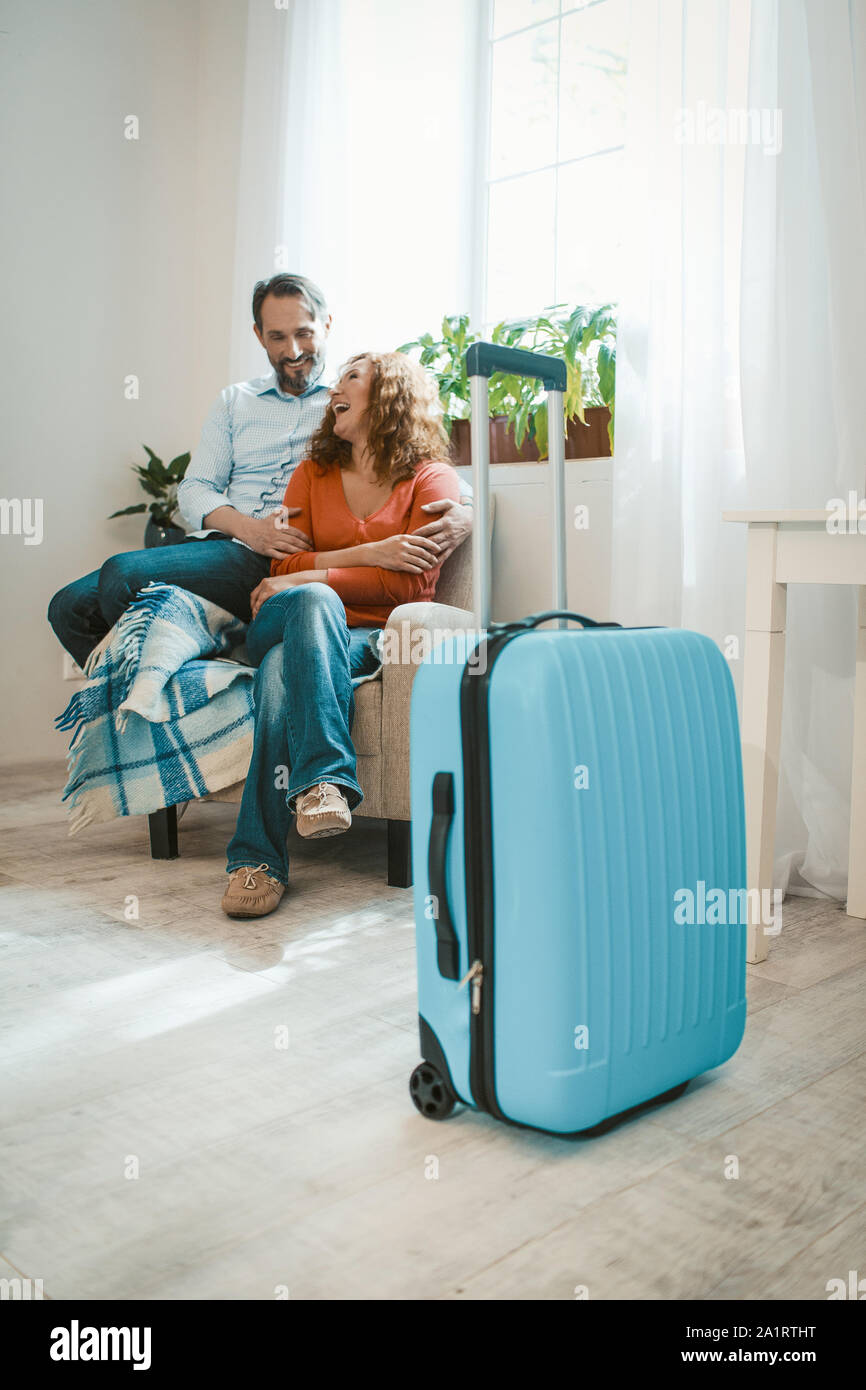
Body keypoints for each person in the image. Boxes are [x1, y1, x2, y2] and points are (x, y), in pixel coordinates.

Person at [47, 274, 473, 668]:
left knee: (122, 575)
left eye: (304, 333)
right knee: (68, 607)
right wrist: (251, 531)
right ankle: (147, 696)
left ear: (326, 324)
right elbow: (195, 488)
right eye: (277, 337)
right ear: (258, 336)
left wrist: (468, 513)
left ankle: (172, 676)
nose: (294, 351)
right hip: (232, 546)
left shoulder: (353, 400)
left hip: (284, 561)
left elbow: (419, 463)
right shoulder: (236, 401)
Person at [222, 351, 461, 920]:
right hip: (283, 617)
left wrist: (311, 573)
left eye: (352, 377)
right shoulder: (311, 474)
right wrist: (366, 556)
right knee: (314, 600)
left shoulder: (431, 478)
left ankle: (256, 861)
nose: (335, 389)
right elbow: (280, 568)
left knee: (279, 677)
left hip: (368, 638)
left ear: (390, 396)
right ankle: (325, 777)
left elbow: (409, 584)